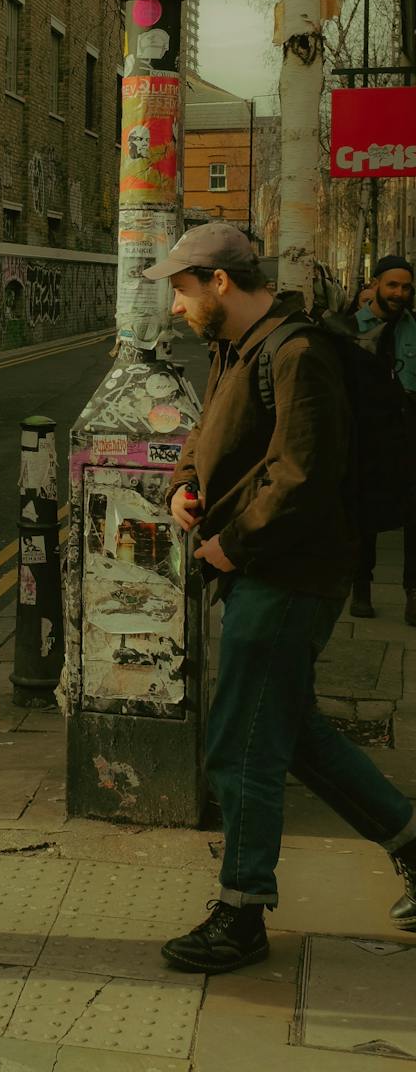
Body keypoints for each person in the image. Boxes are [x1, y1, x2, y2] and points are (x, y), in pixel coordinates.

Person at [143, 221, 416, 973]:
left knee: (241, 745)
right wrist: (185, 487)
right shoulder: (239, 348)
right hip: (264, 570)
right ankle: (413, 846)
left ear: (220, 282)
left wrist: (237, 541)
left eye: (183, 289)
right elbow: (208, 438)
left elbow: (302, 472)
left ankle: (241, 913)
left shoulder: (297, 353)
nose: (176, 308)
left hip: (289, 576)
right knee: (293, 733)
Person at [339, 254, 416, 624]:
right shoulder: (352, 330)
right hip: (368, 433)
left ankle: (413, 591)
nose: (399, 293)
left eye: (405, 286)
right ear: (376, 285)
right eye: (392, 285)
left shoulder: (414, 329)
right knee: (365, 511)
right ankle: (361, 585)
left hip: (408, 431)